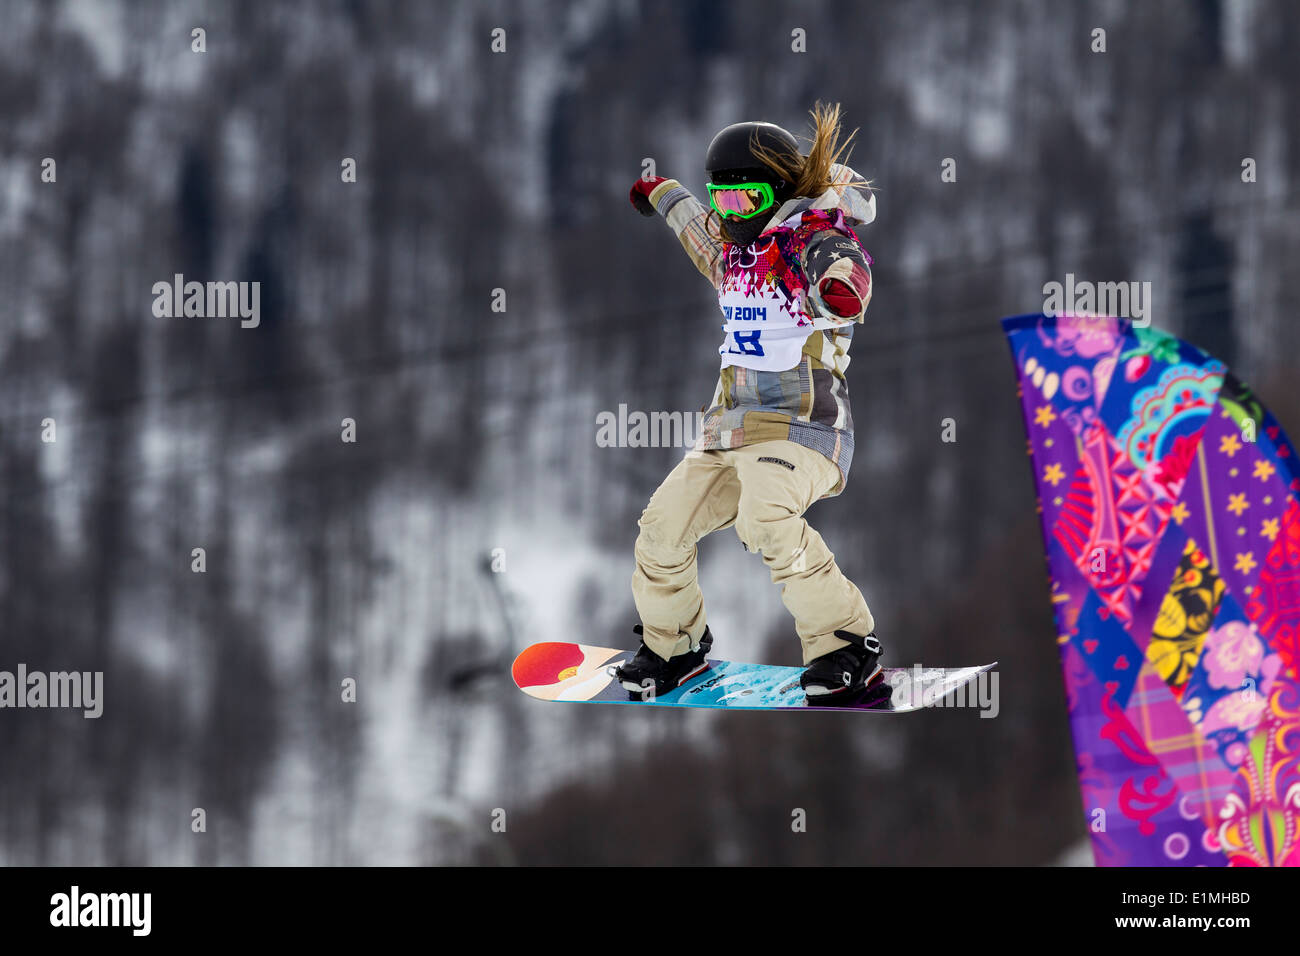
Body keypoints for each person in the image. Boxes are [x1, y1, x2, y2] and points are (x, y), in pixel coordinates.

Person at [617, 102, 882, 704]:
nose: (733, 216)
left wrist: (842, 285)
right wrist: (665, 193)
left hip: (803, 431)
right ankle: (674, 646)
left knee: (766, 519)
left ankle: (843, 642)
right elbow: (696, 230)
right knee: (660, 531)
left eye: (748, 202)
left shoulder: (801, 244)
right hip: (728, 432)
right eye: (724, 201)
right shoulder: (734, 256)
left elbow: (841, 261)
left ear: (780, 195)